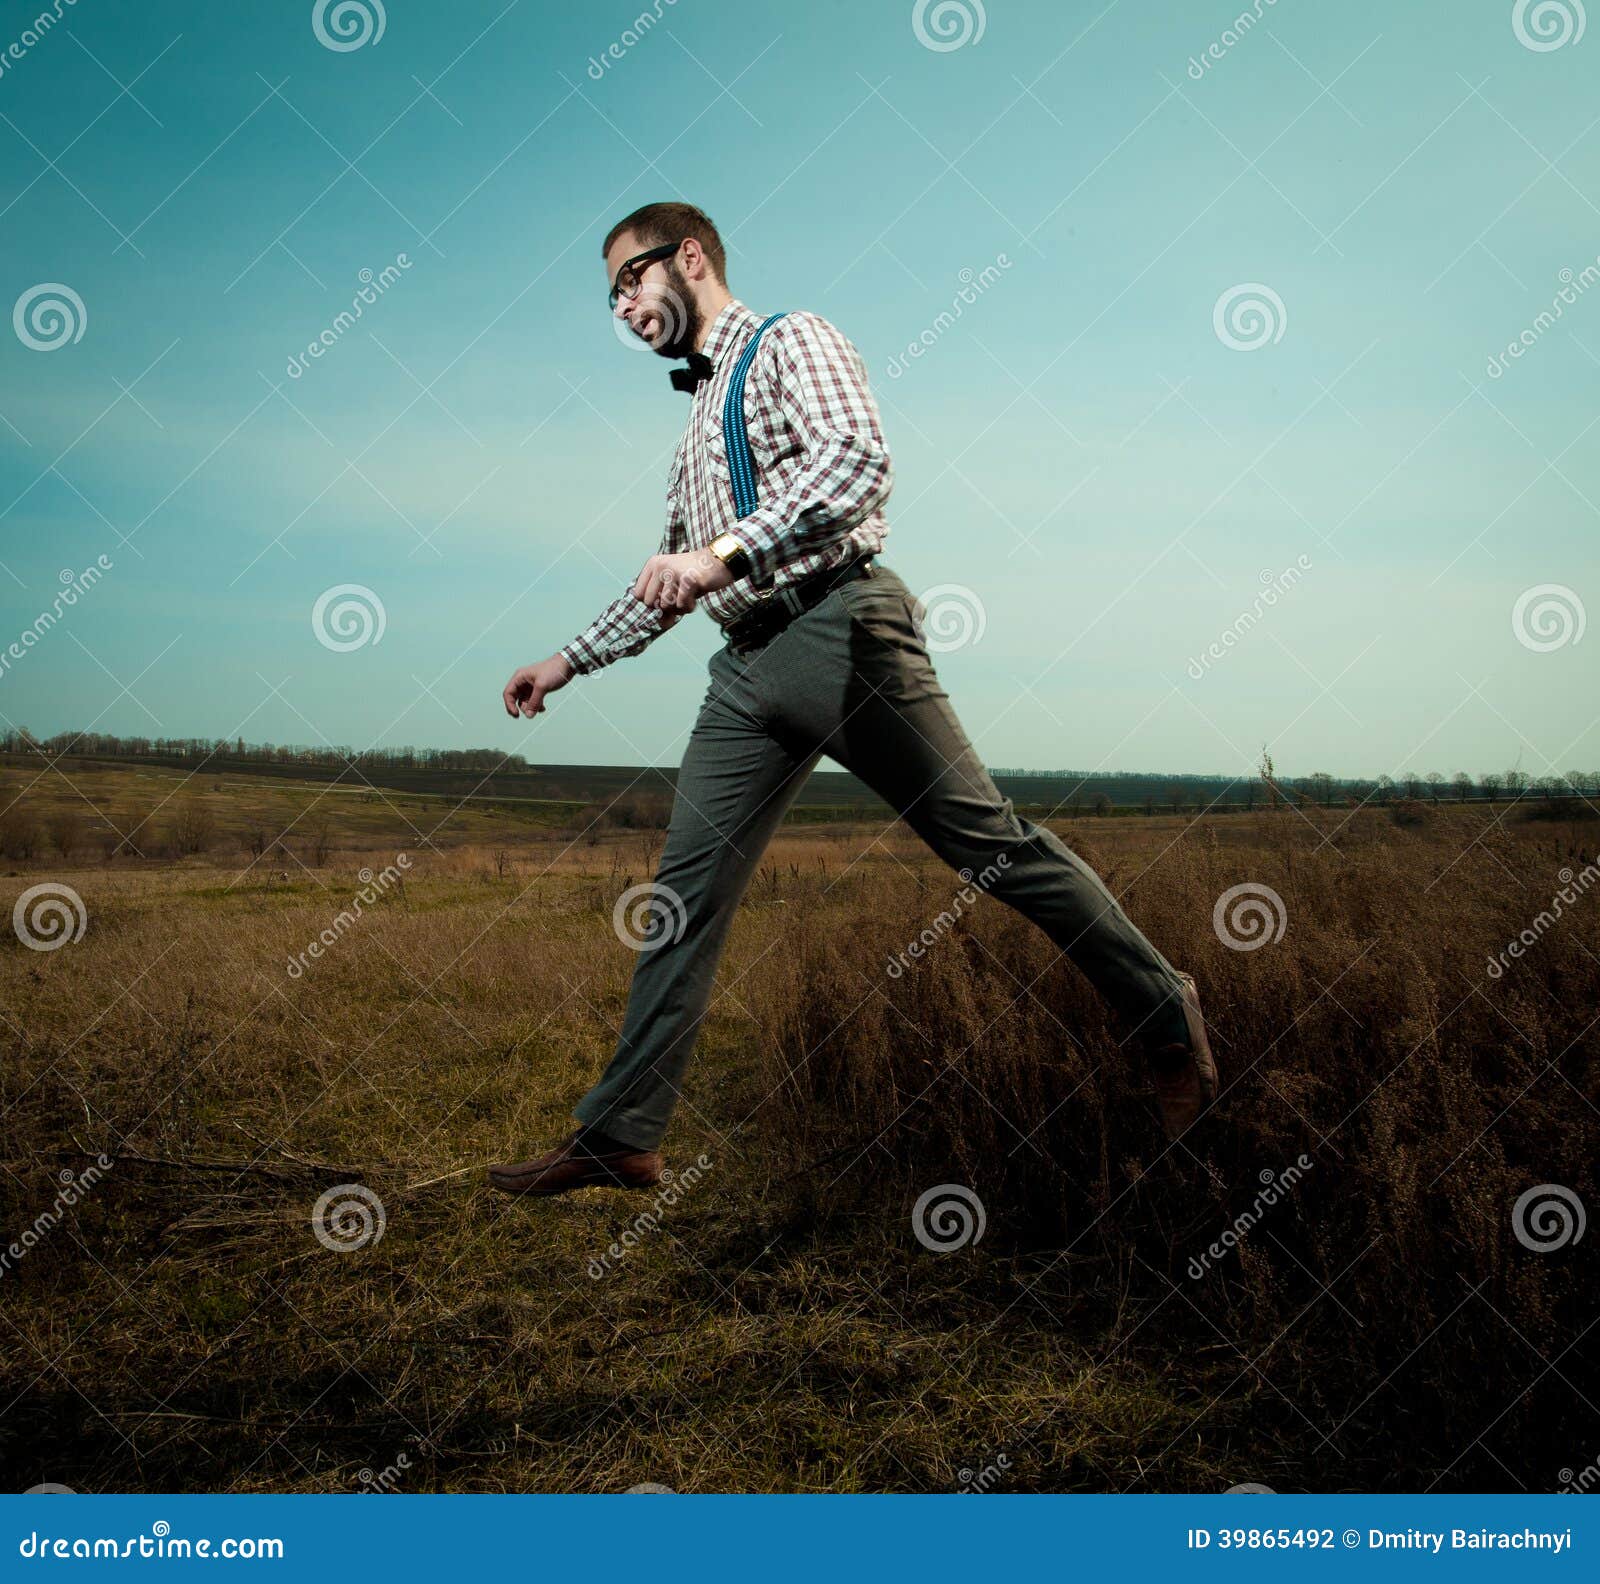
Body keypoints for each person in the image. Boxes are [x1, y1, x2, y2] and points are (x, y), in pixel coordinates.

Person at [490, 201, 1215, 1198]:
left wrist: (722, 553)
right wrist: (568, 660)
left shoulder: (794, 339)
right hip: (744, 669)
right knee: (680, 903)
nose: (620, 304)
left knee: (986, 846)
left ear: (688, 257)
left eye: (628, 278)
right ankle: (621, 1134)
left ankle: (1164, 1017)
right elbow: (666, 582)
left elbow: (855, 462)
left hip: (839, 626)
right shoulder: (693, 429)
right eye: (609, 292)